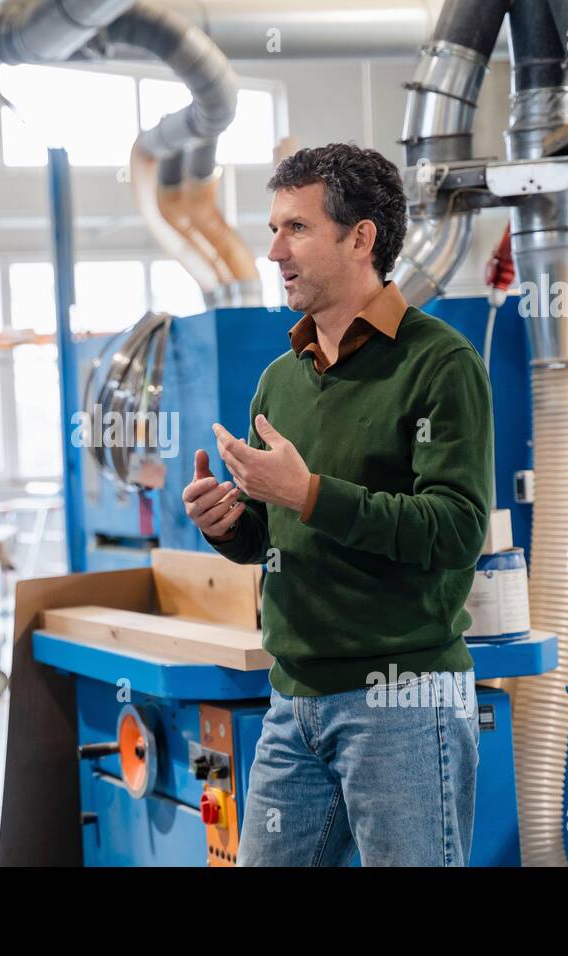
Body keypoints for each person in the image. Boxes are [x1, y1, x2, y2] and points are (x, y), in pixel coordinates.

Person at [183, 142, 493, 866]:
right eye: (272, 229)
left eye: (296, 228)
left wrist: (308, 492)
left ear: (361, 238)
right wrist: (230, 525)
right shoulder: (278, 380)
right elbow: (274, 531)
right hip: (292, 699)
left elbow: (455, 530)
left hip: (405, 704)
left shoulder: (439, 364)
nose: (273, 251)